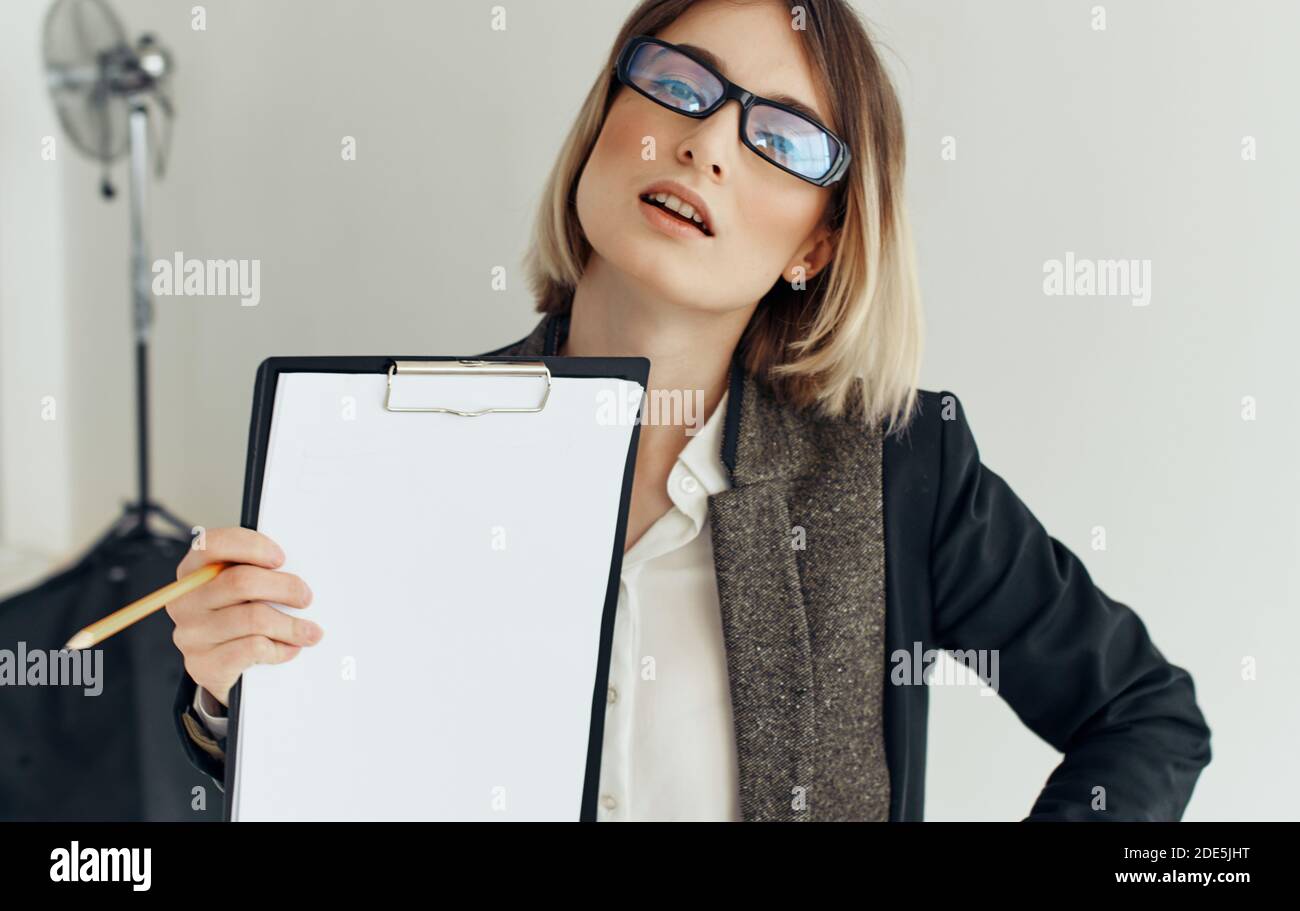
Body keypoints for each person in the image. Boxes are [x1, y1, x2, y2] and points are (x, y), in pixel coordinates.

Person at [169, 0, 1211, 821]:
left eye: (784, 138)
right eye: (678, 83)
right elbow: (345, 781)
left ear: (816, 245)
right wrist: (229, 700)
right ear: (602, 127)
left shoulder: (904, 469)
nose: (706, 142)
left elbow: (1144, 714)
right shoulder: (396, 441)